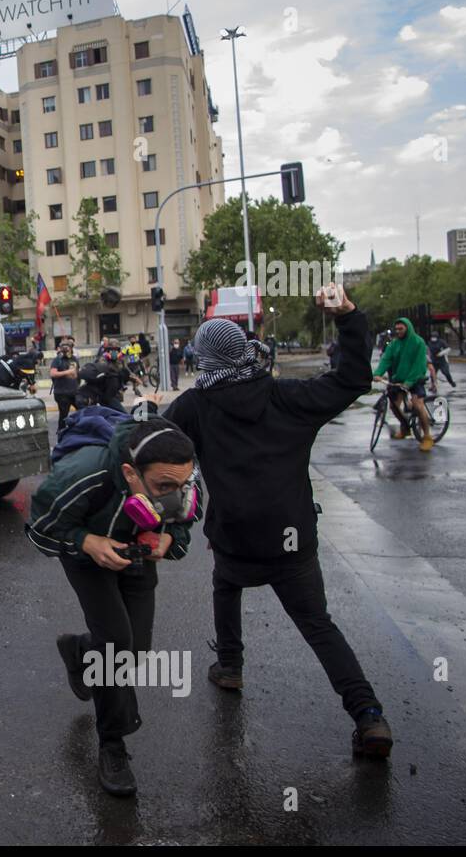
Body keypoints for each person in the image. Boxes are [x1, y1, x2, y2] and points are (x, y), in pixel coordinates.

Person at [163, 289, 394, 759]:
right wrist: (349, 315)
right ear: (246, 352)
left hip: (234, 539)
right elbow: (353, 378)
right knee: (317, 624)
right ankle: (368, 714)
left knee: (225, 588)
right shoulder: (289, 397)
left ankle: (230, 666)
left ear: (205, 362)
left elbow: (154, 447)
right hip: (292, 540)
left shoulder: (194, 406)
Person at [27, 418, 197, 796]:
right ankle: (112, 746)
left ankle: (78, 651)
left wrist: (169, 539)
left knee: (135, 649)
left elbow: (185, 516)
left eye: (182, 484)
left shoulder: (179, 470)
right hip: (88, 559)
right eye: (163, 487)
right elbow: (39, 527)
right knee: (117, 645)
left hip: (138, 554)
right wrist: (86, 542)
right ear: (129, 473)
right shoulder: (83, 474)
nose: (175, 494)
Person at [372, 316, 433, 451]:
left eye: (401, 328)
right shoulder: (394, 344)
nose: (398, 331)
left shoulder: (418, 342)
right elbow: (386, 359)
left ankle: (427, 436)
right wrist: (378, 373)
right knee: (394, 405)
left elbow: (418, 365)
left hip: (415, 378)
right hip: (399, 379)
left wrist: (409, 382)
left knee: (418, 405)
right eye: (397, 329)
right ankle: (405, 427)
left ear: (408, 328)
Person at [49, 339, 79, 422]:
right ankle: (61, 432)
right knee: (63, 415)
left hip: (74, 391)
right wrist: (68, 372)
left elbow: (76, 374)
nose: (66, 348)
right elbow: (52, 373)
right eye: (64, 346)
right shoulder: (57, 360)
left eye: (68, 346)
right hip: (62, 393)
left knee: (82, 410)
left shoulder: (74, 359)